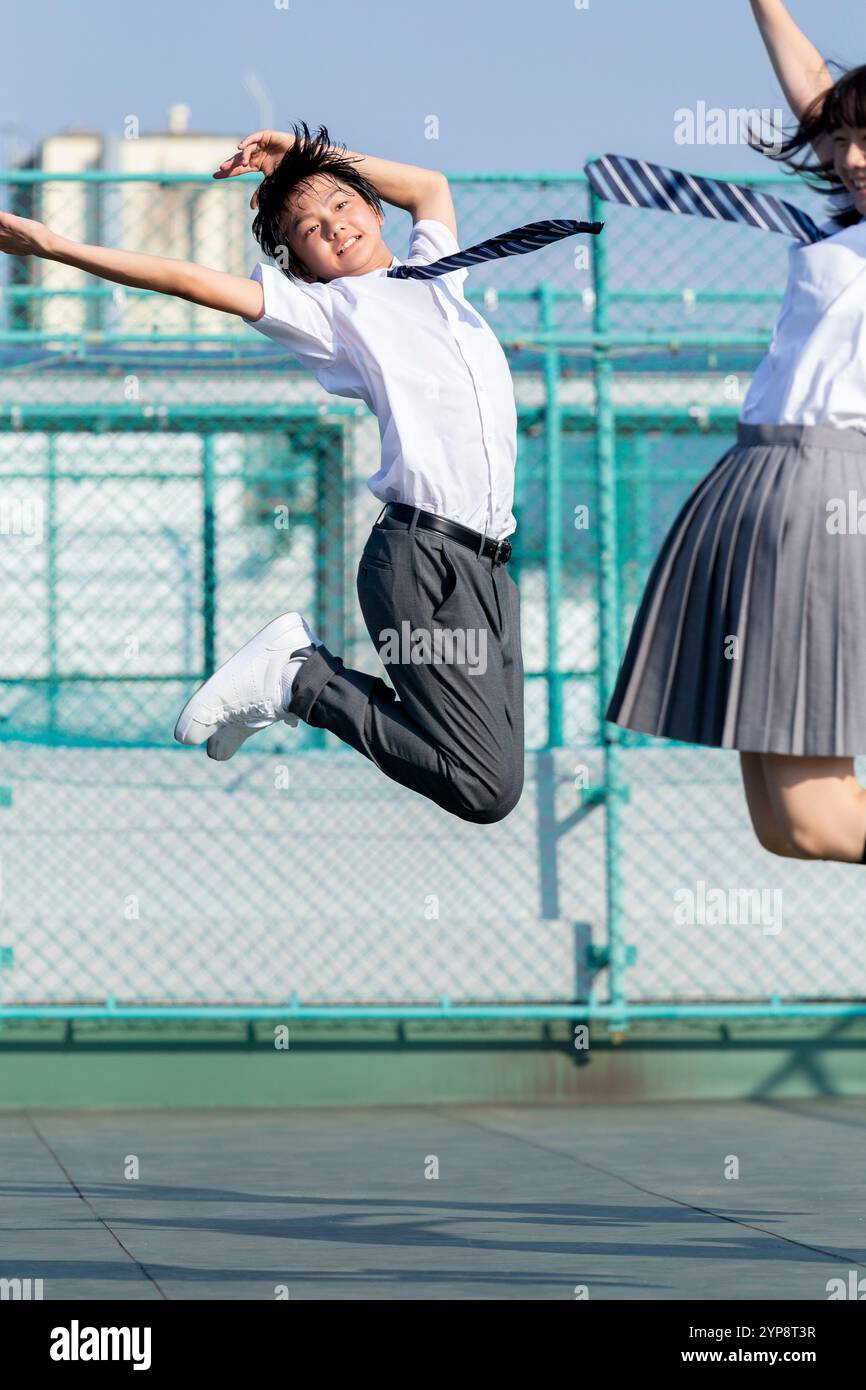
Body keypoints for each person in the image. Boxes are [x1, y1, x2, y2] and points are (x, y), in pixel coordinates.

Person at [0, 122, 524, 824]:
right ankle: (300, 678)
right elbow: (187, 280)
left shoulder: (438, 272)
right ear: (301, 266)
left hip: (489, 567)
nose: (333, 227)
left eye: (341, 206)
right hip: (422, 561)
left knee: (501, 777)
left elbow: (429, 187)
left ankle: (301, 676)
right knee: (481, 788)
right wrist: (57, 247)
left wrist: (308, 159)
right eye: (309, 229)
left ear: (373, 209)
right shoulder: (329, 312)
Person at [605, 0, 866, 863]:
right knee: (784, 831)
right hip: (755, 485)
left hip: (828, 492)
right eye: (844, 141)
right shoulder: (840, 228)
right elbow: (816, 96)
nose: (850, 157)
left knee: (820, 820)